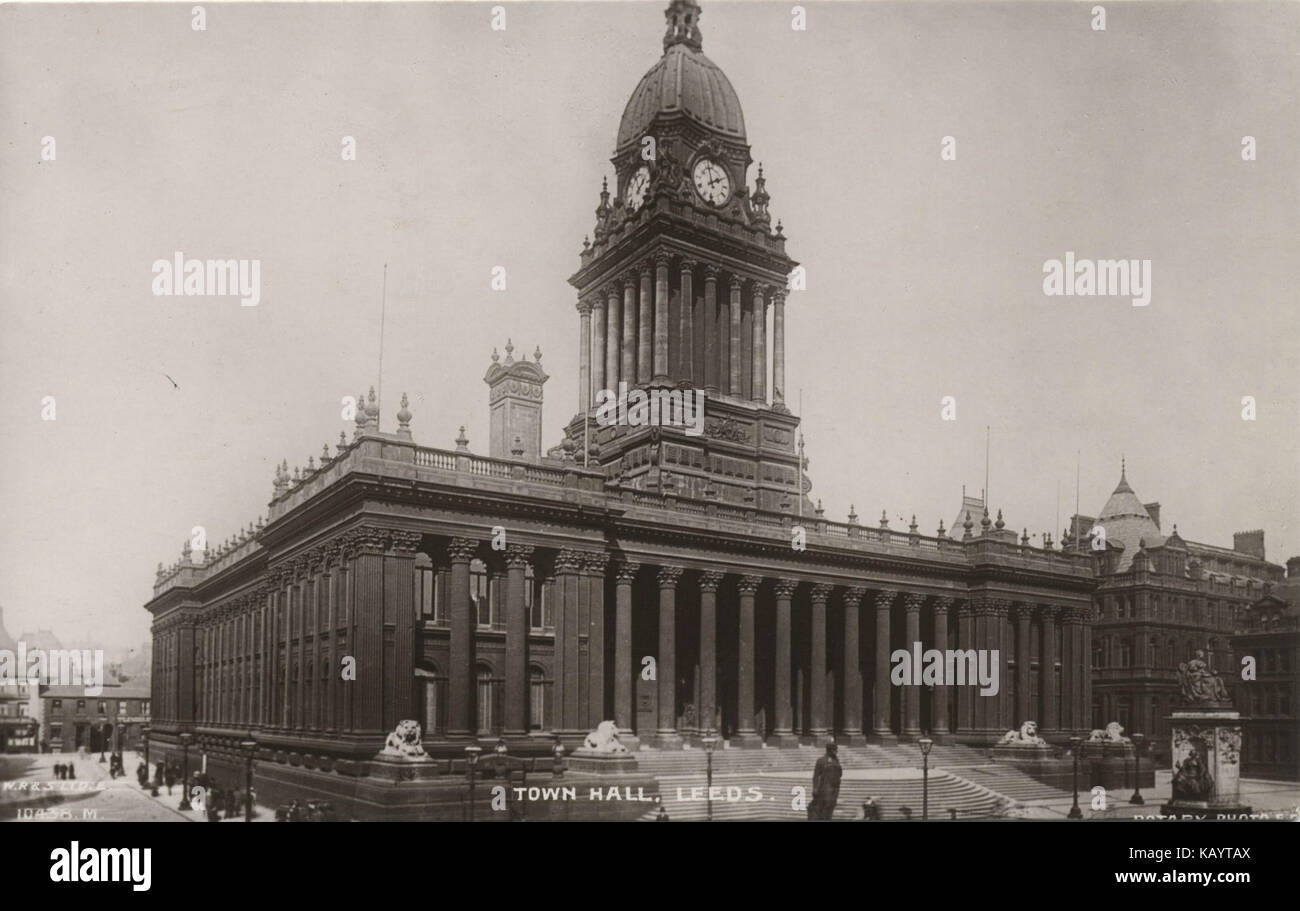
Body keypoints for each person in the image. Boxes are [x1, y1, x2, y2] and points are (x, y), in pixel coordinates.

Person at [809, 742, 843, 821]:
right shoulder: (821, 760)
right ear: (830, 750)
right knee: (825, 806)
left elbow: (840, 773)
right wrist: (815, 788)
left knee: (831, 806)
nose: (836, 752)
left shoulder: (836, 761)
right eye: (835, 750)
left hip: (835, 788)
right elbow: (816, 776)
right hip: (825, 788)